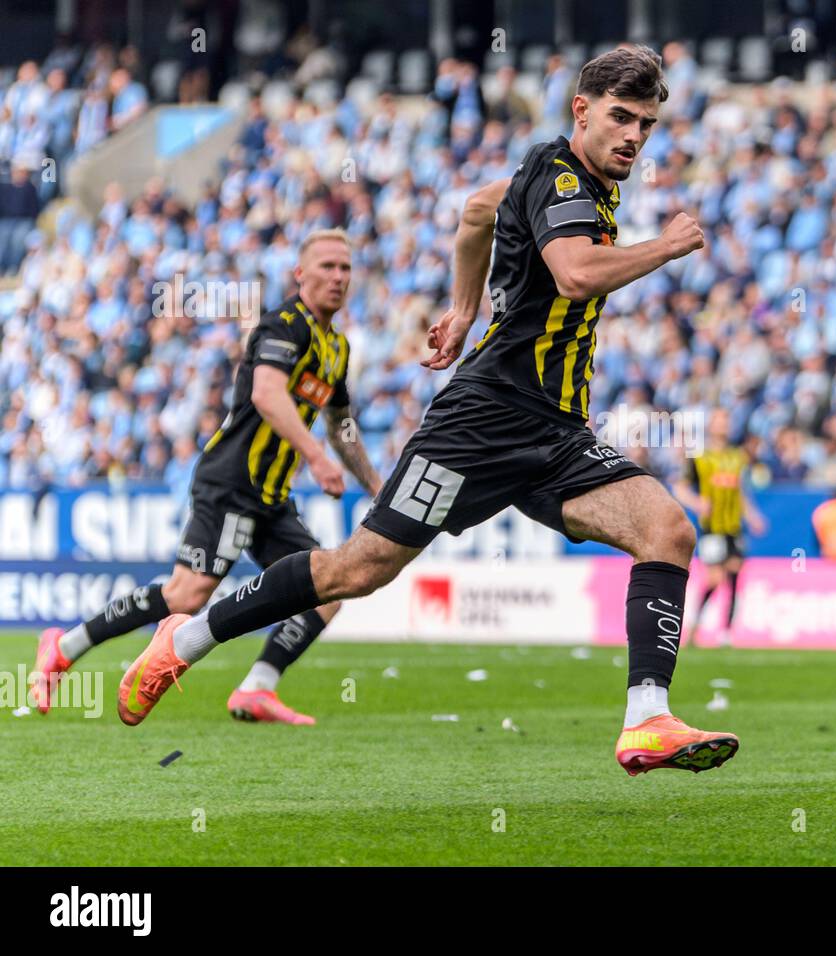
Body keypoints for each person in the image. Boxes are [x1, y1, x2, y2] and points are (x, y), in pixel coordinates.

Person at [114, 46, 740, 777]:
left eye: (648, 124)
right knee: (361, 568)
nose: (634, 135)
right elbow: (574, 275)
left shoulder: (570, 184)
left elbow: (477, 213)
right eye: (621, 117)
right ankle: (182, 642)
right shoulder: (562, 175)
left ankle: (646, 722)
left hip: (557, 434)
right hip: (480, 425)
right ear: (582, 111)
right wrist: (662, 247)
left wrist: (464, 306)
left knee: (666, 528)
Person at [32, 230, 382, 725]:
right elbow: (266, 393)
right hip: (231, 483)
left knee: (329, 590)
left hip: (272, 497)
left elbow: (340, 423)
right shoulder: (285, 324)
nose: (338, 277)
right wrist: (316, 458)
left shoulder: (337, 348)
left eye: (346, 268)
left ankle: (257, 688)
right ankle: (64, 646)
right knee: (186, 595)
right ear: (300, 273)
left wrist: (376, 485)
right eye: (327, 266)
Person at [673, 409, 766, 647]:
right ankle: (694, 624)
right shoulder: (699, 457)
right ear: (710, 425)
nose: (724, 424)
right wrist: (696, 503)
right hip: (711, 528)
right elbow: (680, 488)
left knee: (735, 574)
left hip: (733, 527)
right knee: (715, 578)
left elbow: (741, 492)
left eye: (727, 419)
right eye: (719, 420)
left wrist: (753, 516)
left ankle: (726, 632)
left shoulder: (738, 457)